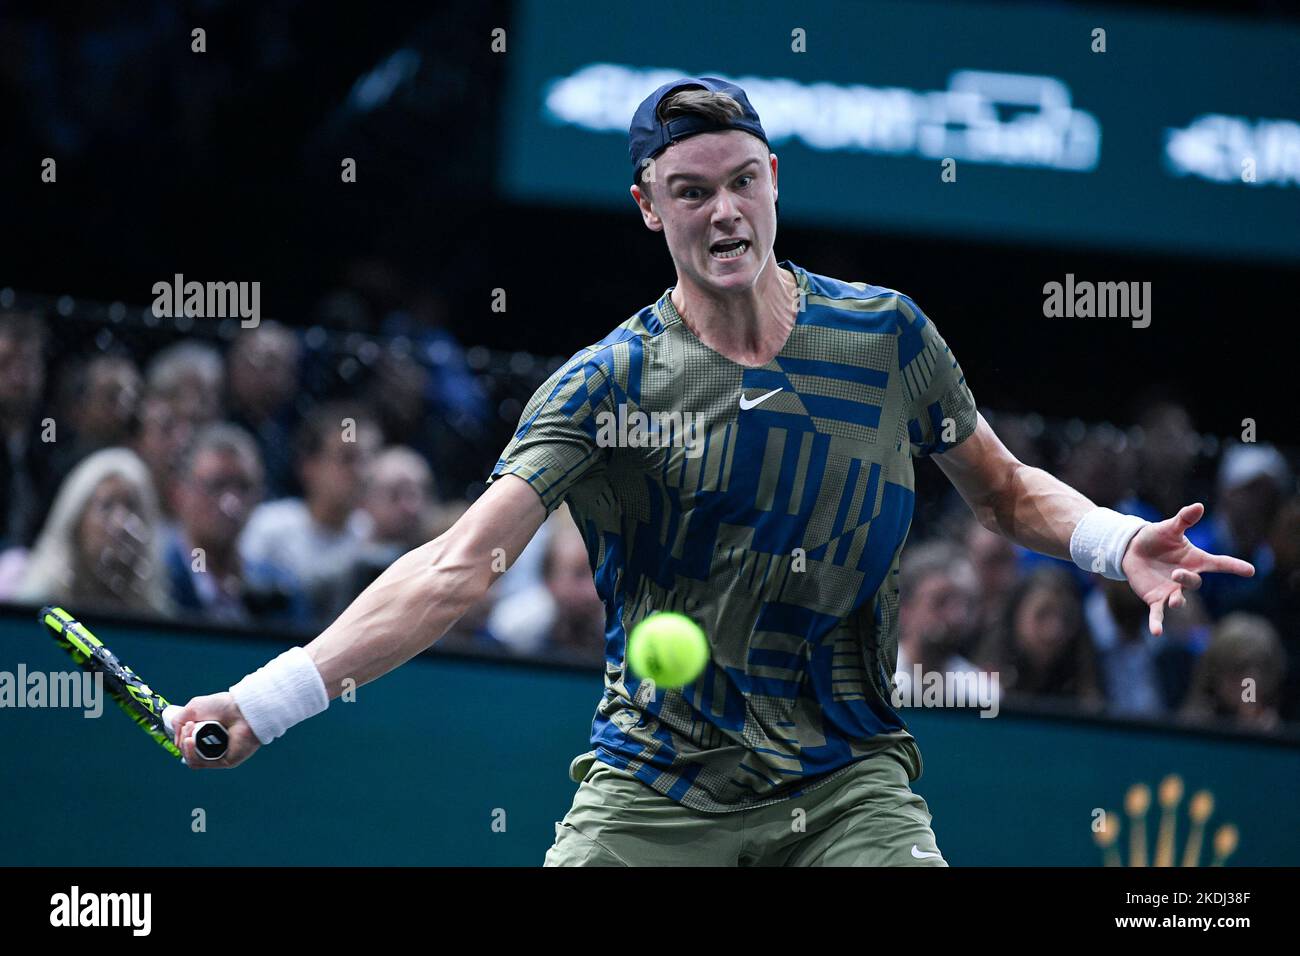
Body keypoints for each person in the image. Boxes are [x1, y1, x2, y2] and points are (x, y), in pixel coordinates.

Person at [168, 77, 1255, 868]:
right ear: (649, 206)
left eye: (742, 181)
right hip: (655, 784)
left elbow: (1006, 488)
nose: (724, 210)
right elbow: (456, 568)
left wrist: (1119, 539)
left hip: (848, 782)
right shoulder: (604, 386)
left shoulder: (885, 336)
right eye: (690, 192)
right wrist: (266, 700)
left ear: (774, 179)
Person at [15, 446, 173, 617]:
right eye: (107, 506)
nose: (121, 524)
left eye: (132, 506)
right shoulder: (34, 604)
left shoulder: (155, 614)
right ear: (76, 520)